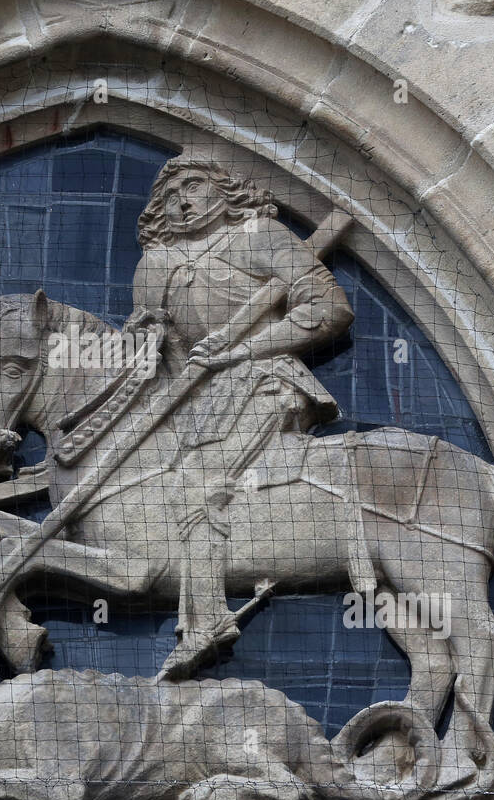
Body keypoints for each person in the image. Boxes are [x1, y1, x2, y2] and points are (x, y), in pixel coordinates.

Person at [130, 157, 354, 678]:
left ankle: (206, 620)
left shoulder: (260, 235)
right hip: (185, 402)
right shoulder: (155, 265)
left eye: (194, 185)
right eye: (169, 196)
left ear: (223, 189)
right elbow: (144, 352)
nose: (182, 200)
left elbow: (329, 306)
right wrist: (148, 343)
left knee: (200, 480)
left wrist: (243, 349)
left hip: (264, 381)